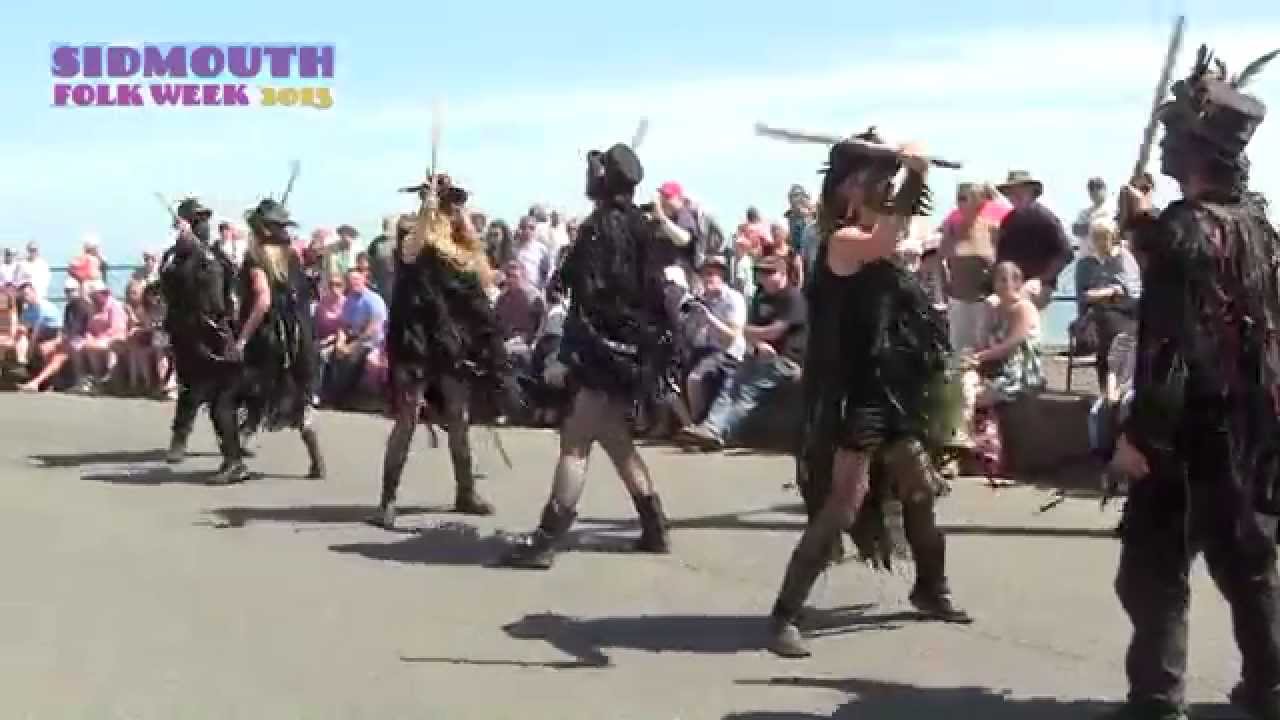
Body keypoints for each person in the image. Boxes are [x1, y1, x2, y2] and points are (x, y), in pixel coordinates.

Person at [1105, 46, 1280, 720]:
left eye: (1175, 137)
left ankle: (1156, 700)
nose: (1168, 146)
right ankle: (1269, 687)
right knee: (1247, 561)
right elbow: (1193, 266)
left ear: (1193, 151)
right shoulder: (1258, 227)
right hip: (1249, 426)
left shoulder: (1185, 232)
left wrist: (1141, 436)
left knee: (1152, 569)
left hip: (1188, 432)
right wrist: (1143, 227)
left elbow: (1171, 347)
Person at [765, 129, 971, 659]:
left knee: (920, 490)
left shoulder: (876, 237)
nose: (883, 188)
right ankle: (785, 612)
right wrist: (916, 174)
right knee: (842, 505)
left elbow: (900, 237)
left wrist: (908, 175)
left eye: (886, 180)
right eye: (873, 180)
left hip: (891, 394)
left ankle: (931, 589)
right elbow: (887, 238)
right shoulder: (842, 242)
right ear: (847, 190)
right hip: (855, 397)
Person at [496, 142, 677, 570]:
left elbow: (591, 296)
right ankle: (654, 525)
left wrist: (571, 351)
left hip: (604, 351)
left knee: (575, 442)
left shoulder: (601, 229)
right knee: (615, 439)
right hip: (634, 349)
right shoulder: (643, 227)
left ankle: (546, 538)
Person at [370, 174, 516, 529]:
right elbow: (409, 252)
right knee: (407, 417)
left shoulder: (460, 241)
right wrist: (427, 210)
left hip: (450, 340)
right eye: (450, 201)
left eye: (456, 201)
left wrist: (463, 219)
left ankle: (465, 492)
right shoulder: (412, 228)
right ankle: (387, 500)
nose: (454, 206)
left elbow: (484, 277)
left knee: (458, 416)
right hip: (415, 337)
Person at [215, 198, 327, 485]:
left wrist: (241, 340)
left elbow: (262, 301)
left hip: (268, 340)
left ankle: (234, 462)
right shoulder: (291, 256)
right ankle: (317, 461)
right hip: (297, 340)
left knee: (225, 399)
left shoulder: (257, 258)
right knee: (293, 394)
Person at [675, 254, 804, 450]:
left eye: (770, 273)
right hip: (760, 354)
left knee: (746, 391)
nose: (764, 277)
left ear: (784, 274)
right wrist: (758, 342)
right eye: (760, 273)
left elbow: (774, 331)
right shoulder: (761, 297)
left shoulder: (793, 298)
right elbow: (748, 330)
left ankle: (716, 431)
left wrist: (755, 335)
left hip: (787, 360)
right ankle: (710, 429)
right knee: (731, 384)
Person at [157, 197, 240, 467]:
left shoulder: (216, 254)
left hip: (218, 329)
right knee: (189, 388)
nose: (203, 225)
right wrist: (187, 250)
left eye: (205, 220)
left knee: (227, 390)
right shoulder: (175, 256)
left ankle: (231, 445)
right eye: (197, 221)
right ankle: (179, 439)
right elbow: (168, 286)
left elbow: (232, 286)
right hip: (187, 331)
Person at [1074, 219, 1142, 387]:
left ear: (1113, 237)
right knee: (1105, 326)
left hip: (1125, 312)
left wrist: (1108, 291)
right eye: (1096, 237)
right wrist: (1112, 291)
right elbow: (1084, 296)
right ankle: (1109, 388)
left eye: (1104, 237)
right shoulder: (1085, 264)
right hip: (1096, 315)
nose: (1100, 241)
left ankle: (1116, 386)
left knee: (1117, 330)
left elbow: (1133, 290)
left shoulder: (1124, 258)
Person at [994, 170, 1074, 309]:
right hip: (1012, 283)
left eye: (1019, 191)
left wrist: (1041, 279)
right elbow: (1002, 257)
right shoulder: (1008, 221)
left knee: (1019, 305)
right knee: (990, 305)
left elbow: (1066, 253)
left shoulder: (1045, 218)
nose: (1014, 196)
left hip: (1039, 284)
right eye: (1011, 192)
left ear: (1031, 192)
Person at [971, 262, 1045, 407]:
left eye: (1006, 279)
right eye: (998, 280)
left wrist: (979, 357)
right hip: (998, 368)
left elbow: (1010, 346)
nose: (1001, 285)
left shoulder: (1023, 308)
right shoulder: (996, 309)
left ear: (1017, 282)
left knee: (974, 397)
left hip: (1020, 373)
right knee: (964, 383)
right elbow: (982, 343)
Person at [940, 182, 999, 352]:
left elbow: (1003, 262)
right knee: (958, 353)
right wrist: (942, 290)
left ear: (979, 200)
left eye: (965, 198)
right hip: (957, 300)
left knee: (984, 352)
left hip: (984, 301)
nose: (960, 202)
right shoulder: (951, 228)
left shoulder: (992, 229)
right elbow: (940, 261)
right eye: (958, 198)